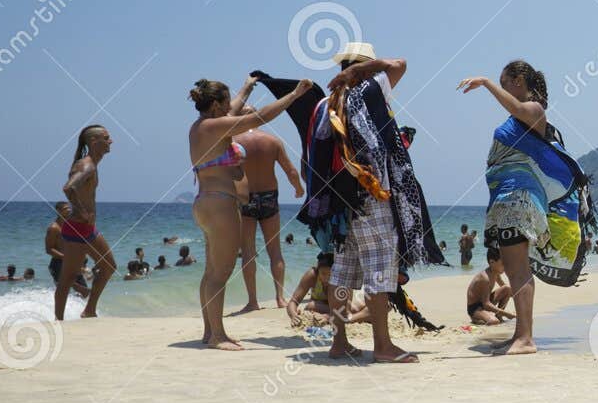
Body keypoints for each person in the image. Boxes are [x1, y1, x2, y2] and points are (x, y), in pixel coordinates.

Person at [311, 43, 443, 363]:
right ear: (363, 67)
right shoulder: (368, 89)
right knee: (379, 272)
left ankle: (339, 342)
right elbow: (400, 63)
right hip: (372, 195)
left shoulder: (326, 104)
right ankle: (383, 346)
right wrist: (366, 71)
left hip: (340, 204)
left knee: (342, 274)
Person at [188, 77, 310, 349]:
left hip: (205, 202)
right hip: (220, 205)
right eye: (226, 101)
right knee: (220, 272)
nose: (230, 105)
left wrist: (247, 86)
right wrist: (293, 95)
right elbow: (261, 116)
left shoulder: (201, 127)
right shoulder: (213, 126)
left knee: (211, 271)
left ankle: (210, 331)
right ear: (217, 103)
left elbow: (235, 107)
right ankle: (217, 336)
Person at [459, 60, 560, 355]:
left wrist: (486, 82)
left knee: (517, 268)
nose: (503, 90)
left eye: (505, 83)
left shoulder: (535, 110)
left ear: (518, 80)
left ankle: (526, 338)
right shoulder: (520, 116)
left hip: (518, 197)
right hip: (506, 196)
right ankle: (520, 334)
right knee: (515, 266)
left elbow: (516, 109)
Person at [231, 87, 306, 312]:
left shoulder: (233, 141)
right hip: (269, 198)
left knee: (248, 251)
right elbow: (290, 170)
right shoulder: (272, 141)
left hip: (245, 199)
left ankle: (253, 301)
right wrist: (298, 188)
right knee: (275, 251)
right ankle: (280, 298)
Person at [55, 125, 117, 321]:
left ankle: (89, 310)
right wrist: (81, 211)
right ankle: (59, 321)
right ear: (94, 142)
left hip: (87, 229)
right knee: (67, 278)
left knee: (108, 266)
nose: (111, 141)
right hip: (76, 229)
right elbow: (68, 188)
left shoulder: (92, 164)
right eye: (106, 138)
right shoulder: (86, 165)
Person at [465, 246, 515, 325]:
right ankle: (477, 319)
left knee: (507, 289)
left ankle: (498, 316)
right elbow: (487, 304)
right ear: (492, 262)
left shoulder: (496, 272)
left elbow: (507, 290)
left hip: (485, 303)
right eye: (502, 264)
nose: (505, 267)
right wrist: (507, 314)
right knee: (493, 322)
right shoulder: (485, 279)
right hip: (475, 309)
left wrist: (519, 298)